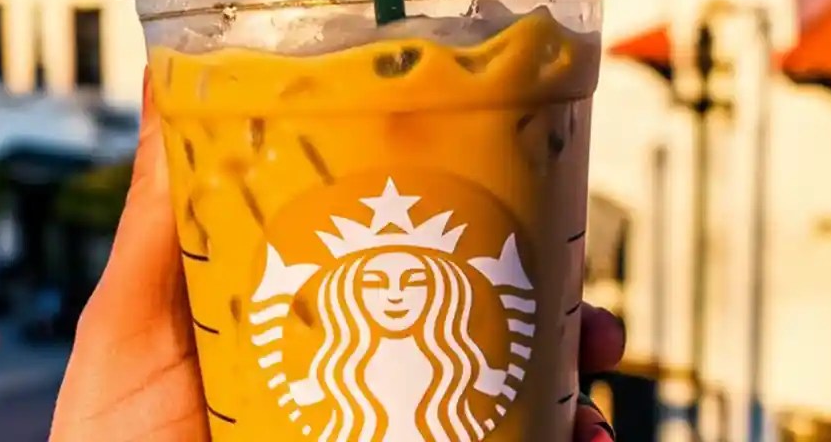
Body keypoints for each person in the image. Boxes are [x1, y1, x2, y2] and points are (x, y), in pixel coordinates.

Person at [49, 71, 626, 442]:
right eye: (375, 282)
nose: (395, 295)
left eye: (414, 282)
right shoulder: (326, 380)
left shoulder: (471, 371)